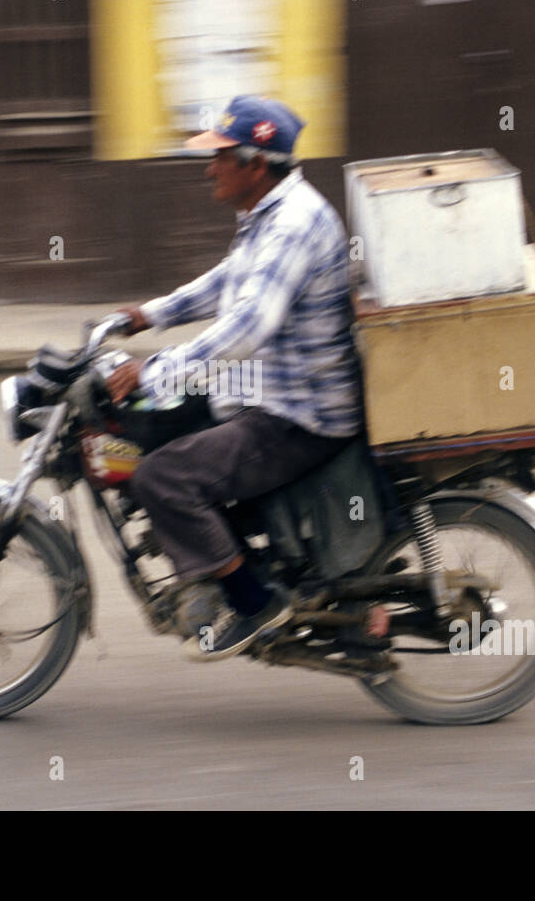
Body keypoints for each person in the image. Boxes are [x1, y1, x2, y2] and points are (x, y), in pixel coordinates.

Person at [106, 95, 364, 662]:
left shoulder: (292, 224)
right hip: (270, 389)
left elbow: (247, 327)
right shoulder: (269, 212)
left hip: (299, 413)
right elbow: (230, 281)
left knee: (162, 478)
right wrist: (151, 315)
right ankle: (223, 555)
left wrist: (158, 368)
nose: (209, 168)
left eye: (219, 157)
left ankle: (253, 603)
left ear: (254, 162)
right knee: (157, 425)